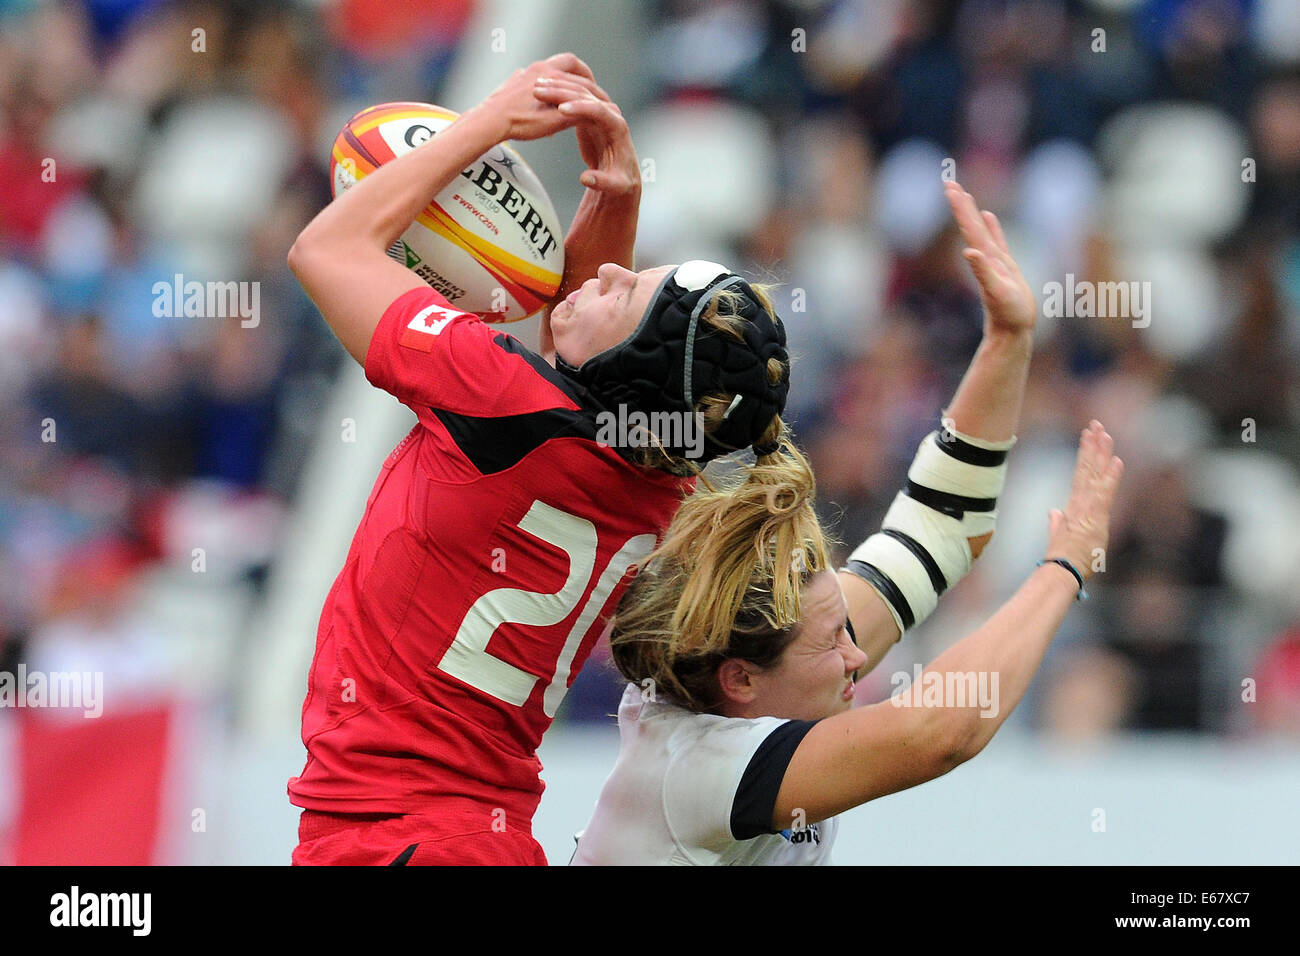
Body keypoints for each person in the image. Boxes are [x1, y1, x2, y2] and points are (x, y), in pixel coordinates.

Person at [284, 53, 791, 865]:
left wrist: (490, 121)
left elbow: (326, 249)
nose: (613, 273)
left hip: (398, 835)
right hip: (474, 836)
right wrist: (613, 197)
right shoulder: (661, 468)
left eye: (629, 291)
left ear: (632, 364)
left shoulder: (495, 394)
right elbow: (584, 363)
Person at [572, 183, 1125, 865]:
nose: (859, 657)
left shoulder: (763, 659)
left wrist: (1008, 341)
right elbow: (940, 732)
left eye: (843, 629)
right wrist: (1062, 568)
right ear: (740, 681)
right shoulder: (694, 766)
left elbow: (940, 529)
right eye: (836, 640)